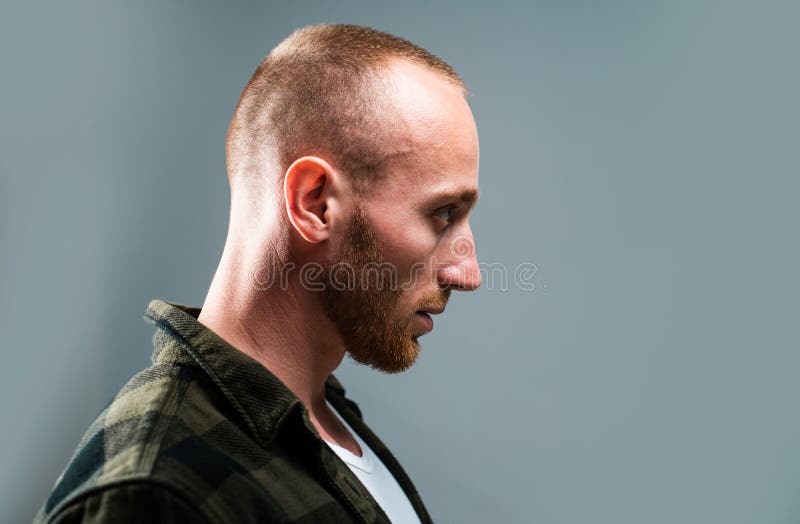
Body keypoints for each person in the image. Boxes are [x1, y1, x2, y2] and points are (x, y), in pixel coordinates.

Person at [36, 23, 482, 524]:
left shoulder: (326, 424)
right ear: (314, 203)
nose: (468, 273)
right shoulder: (155, 493)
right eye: (442, 213)